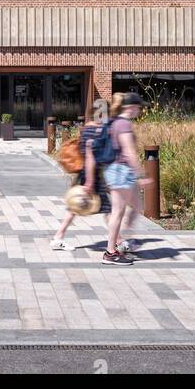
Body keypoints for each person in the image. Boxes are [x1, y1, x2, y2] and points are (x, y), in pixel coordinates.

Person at [50, 102, 113, 251]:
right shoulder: (98, 130)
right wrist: (90, 181)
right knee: (107, 209)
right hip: (91, 175)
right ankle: (118, 241)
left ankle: (58, 237)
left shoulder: (86, 128)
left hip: (85, 172)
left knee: (75, 207)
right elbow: (90, 156)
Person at [100, 92, 149, 264]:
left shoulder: (117, 122)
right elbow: (129, 151)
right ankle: (110, 251)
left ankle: (123, 240)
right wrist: (141, 174)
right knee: (118, 212)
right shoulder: (123, 124)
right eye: (138, 107)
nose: (140, 111)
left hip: (120, 171)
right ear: (131, 107)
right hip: (120, 170)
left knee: (136, 206)